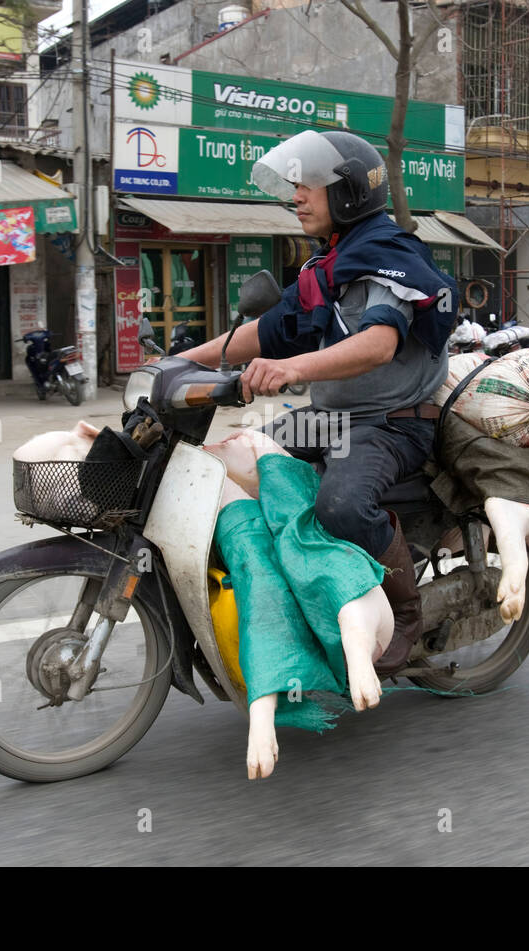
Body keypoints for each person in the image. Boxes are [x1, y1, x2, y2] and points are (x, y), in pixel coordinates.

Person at [177, 129, 456, 677]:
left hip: (389, 425)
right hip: (332, 421)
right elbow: (269, 331)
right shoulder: (327, 266)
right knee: (231, 464)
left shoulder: (386, 254)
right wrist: (184, 363)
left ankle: (402, 613)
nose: (296, 196)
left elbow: (379, 343)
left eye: (309, 185)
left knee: (341, 505)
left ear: (349, 192)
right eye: (295, 185)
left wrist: (294, 368)